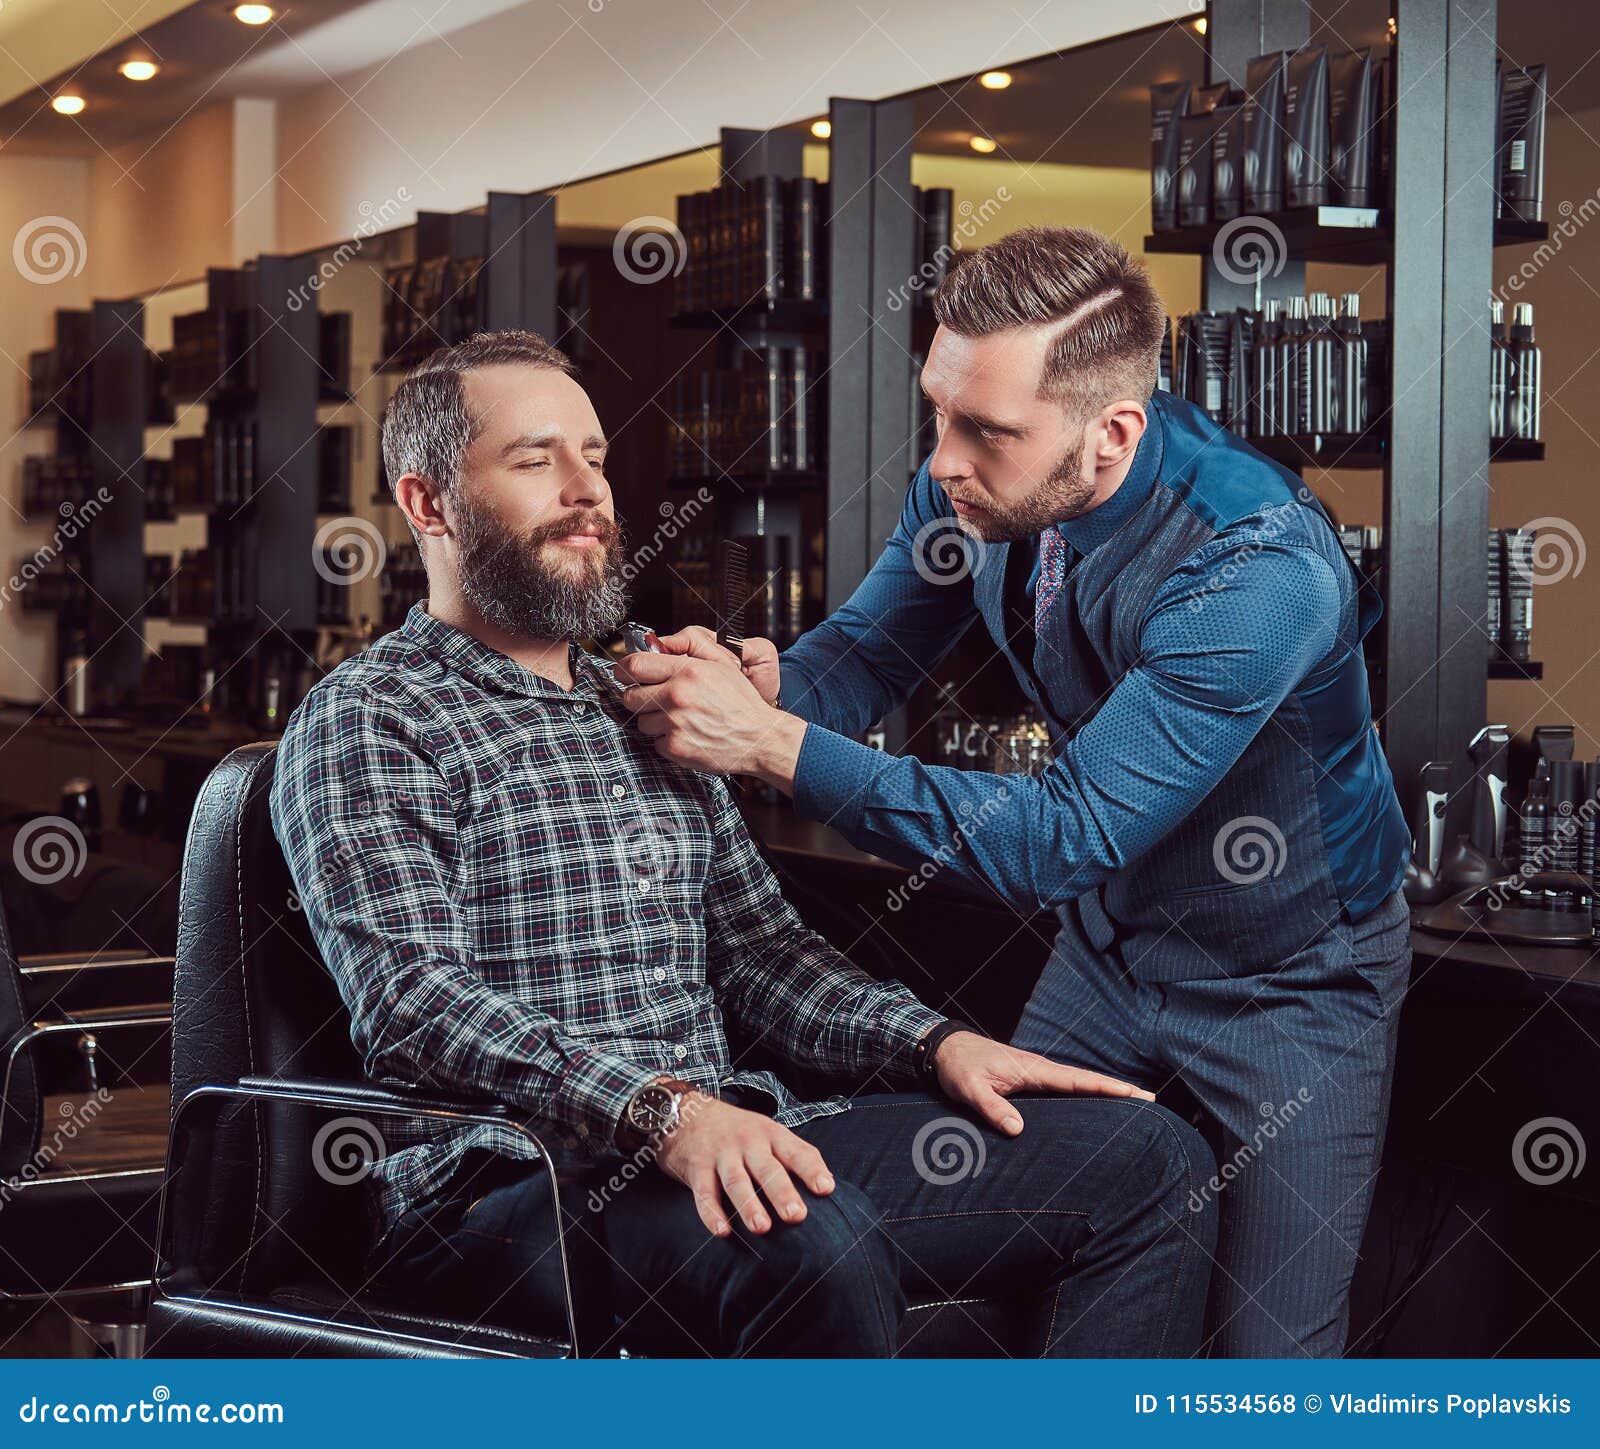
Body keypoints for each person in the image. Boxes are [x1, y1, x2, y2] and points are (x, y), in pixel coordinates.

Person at [269, 328, 1217, 1358]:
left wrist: (935, 1044)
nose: (586, 489)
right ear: (428, 505)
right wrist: (660, 1115)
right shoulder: (372, 713)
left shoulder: (650, 698)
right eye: (535, 460)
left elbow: (762, 957)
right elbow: (413, 1004)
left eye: (592, 457)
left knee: (1146, 1161)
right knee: (806, 1240)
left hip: (727, 1134)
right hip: (506, 1190)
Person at [615, 227, 1413, 1358]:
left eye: (983, 429)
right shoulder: (977, 482)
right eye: (938, 410)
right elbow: (870, 652)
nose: (943, 459)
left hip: (1287, 975)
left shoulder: (1256, 568)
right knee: (1022, 1286)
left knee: (1265, 1359)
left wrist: (774, 747)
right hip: (1110, 951)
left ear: (1112, 433)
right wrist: (768, 684)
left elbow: (1057, 838)